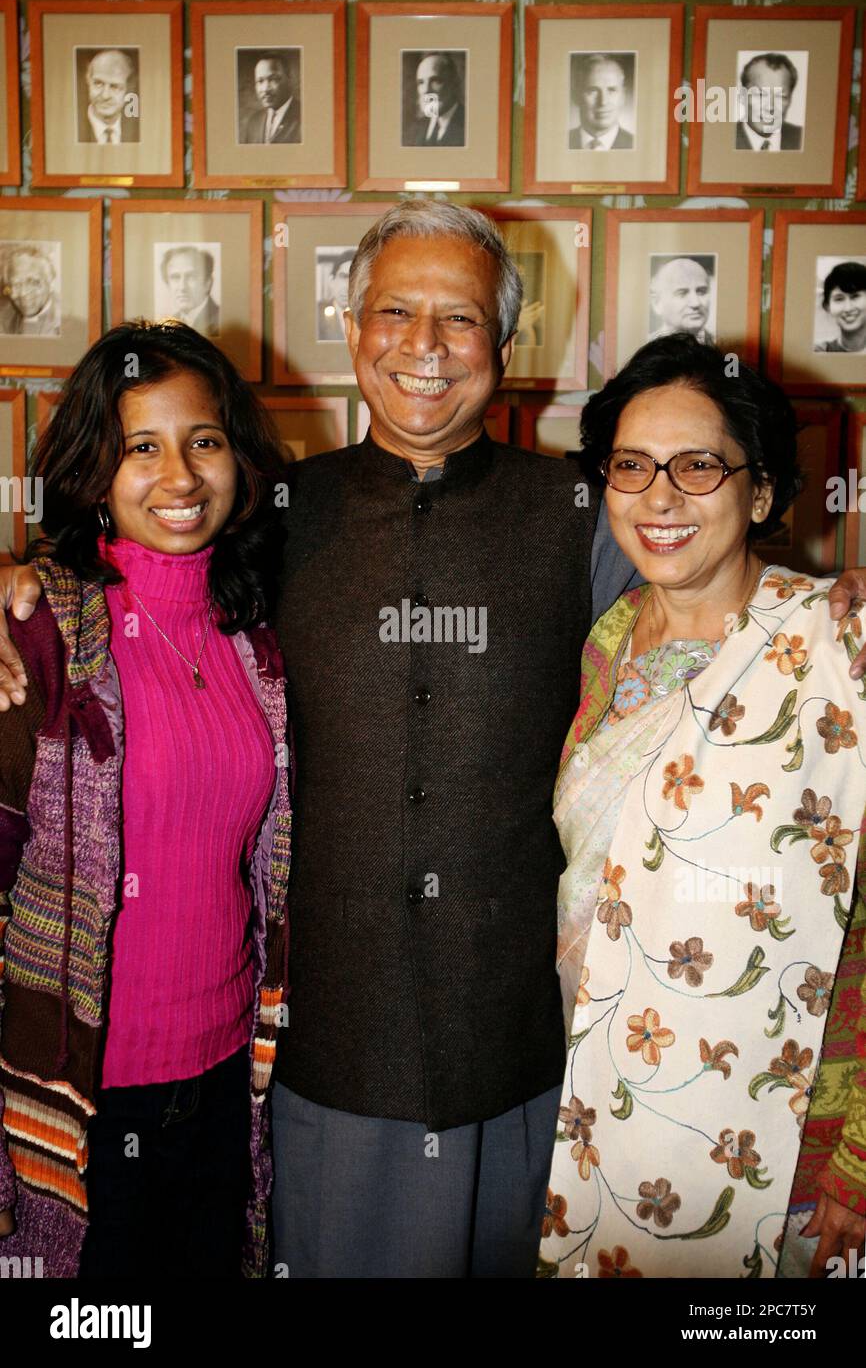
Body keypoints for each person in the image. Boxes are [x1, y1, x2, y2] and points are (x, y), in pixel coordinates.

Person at [1, 204, 864, 1280]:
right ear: (350, 327)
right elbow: (138, 575)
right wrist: (23, 581)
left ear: (505, 345)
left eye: (458, 318)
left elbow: (705, 607)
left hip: (527, 1057)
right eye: (394, 312)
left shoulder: (582, 513)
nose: (423, 346)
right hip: (324, 1056)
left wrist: (829, 603)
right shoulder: (273, 514)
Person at [539, 334, 866, 1279]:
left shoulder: (835, 643)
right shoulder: (609, 642)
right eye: (632, 467)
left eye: (698, 466)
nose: (660, 497)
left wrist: (857, 1163)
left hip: (790, 1128)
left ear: (760, 493)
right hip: (617, 1107)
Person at [0, 321, 291, 1278]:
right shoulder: (41, 634)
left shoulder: (258, 633)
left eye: (203, 441)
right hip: (79, 1092)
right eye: (142, 447)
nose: (180, 476)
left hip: (223, 1084)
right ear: (93, 472)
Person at [736, 52, 802, 152]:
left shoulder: (801, 138)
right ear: (742, 96)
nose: (770, 107)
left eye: (780, 96)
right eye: (760, 95)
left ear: (790, 100)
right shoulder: (722, 138)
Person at [568, 54, 634, 150]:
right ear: (576, 96)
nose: (603, 102)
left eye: (611, 90)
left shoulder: (636, 144)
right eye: (593, 91)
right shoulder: (557, 142)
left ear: (623, 96)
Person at [403, 52, 466, 147]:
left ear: (454, 84)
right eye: (421, 82)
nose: (426, 90)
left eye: (435, 81)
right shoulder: (413, 130)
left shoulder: (469, 126)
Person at [78, 49, 138, 144]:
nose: (105, 96)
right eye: (98, 83)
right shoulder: (72, 127)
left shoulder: (138, 129)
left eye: (115, 87)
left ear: (128, 89)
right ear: (88, 81)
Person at [649, 257, 714, 344]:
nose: (696, 303)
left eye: (701, 292)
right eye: (682, 293)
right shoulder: (646, 349)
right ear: (657, 303)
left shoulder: (724, 347)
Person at [0, 246, 61, 337]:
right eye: (16, 284)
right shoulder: (3, 317)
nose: (23, 293)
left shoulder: (66, 321)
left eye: (33, 283)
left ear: (51, 283)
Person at [241, 52, 300, 144]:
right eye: (260, 81)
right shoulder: (253, 122)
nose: (265, 89)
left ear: (289, 79)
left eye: (273, 79)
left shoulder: (304, 116)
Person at [159, 247, 220, 337]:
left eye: (191, 276)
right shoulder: (169, 323)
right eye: (175, 277)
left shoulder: (219, 320)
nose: (182, 287)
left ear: (208, 283)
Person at [815, 261, 866, 355]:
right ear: (827, 306)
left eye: (855, 296)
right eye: (839, 299)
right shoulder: (819, 352)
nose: (848, 308)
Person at [316, 249, 353, 342]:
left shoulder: (368, 317)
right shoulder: (316, 314)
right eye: (343, 277)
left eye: (354, 278)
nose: (347, 286)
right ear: (331, 281)